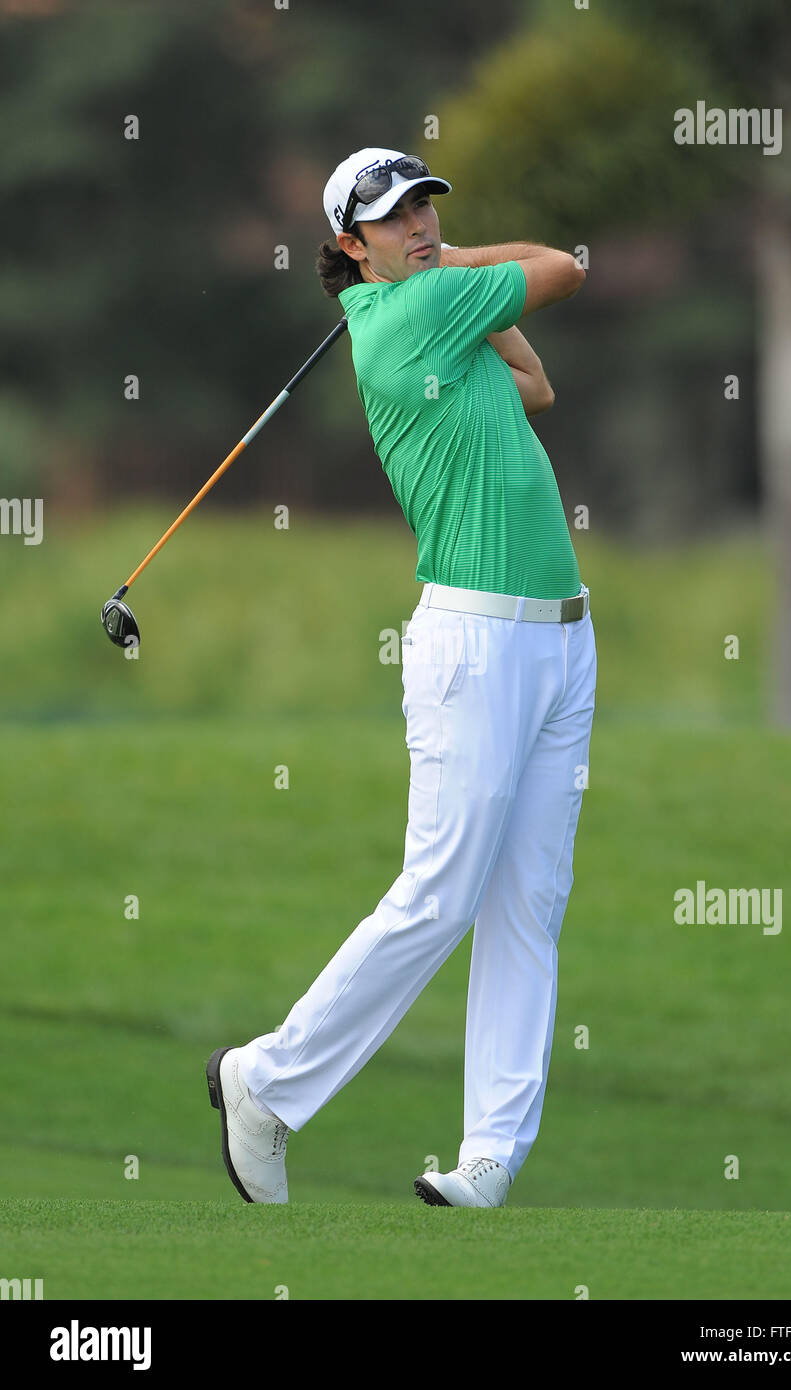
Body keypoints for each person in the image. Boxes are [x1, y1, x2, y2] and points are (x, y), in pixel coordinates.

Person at [207, 147, 596, 1209]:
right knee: (439, 895)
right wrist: (451, 270)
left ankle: (487, 1159)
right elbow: (563, 267)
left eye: (425, 207)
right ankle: (266, 1080)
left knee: (528, 904)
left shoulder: (438, 318)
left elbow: (536, 384)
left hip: (562, 638)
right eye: (393, 217)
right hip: (475, 642)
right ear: (351, 245)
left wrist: (444, 279)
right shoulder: (403, 322)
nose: (418, 224)